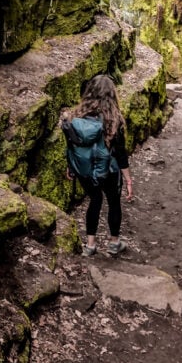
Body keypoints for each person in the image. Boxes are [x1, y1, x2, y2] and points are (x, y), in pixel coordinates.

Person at [62, 73, 133, 257]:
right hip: (108, 169)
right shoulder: (114, 118)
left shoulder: (75, 116)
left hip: (85, 170)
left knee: (94, 200)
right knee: (113, 202)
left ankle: (90, 245)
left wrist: (71, 166)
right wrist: (128, 179)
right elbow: (120, 152)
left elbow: (72, 144)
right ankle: (114, 243)